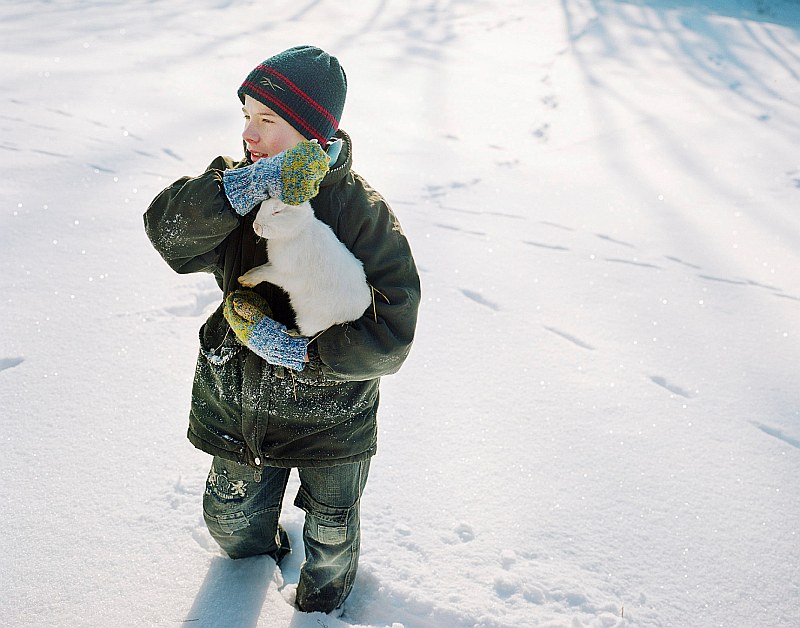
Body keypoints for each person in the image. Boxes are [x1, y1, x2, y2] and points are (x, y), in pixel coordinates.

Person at [143, 45, 420, 615]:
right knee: (230, 522)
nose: (250, 132)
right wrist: (236, 191)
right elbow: (168, 236)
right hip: (241, 404)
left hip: (331, 413)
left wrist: (302, 354)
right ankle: (258, 561)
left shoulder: (358, 209)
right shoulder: (238, 188)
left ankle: (322, 613)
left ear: (313, 130)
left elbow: (394, 330)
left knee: (330, 538)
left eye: (267, 120)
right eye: (246, 115)